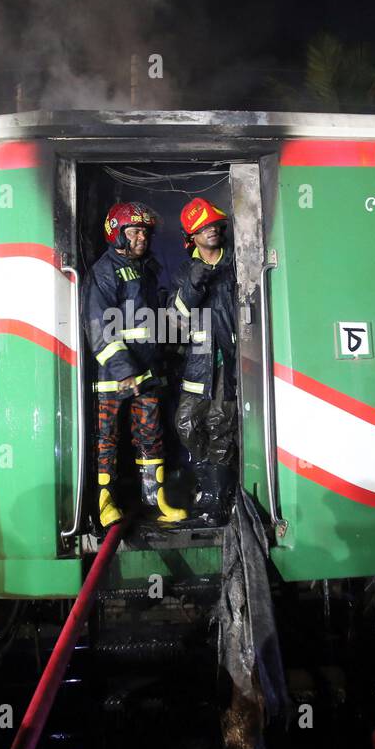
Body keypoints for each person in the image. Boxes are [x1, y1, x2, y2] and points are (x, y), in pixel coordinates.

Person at [84, 201, 187, 527]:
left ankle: (155, 501)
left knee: (151, 436)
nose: (142, 237)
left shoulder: (148, 268)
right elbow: (98, 325)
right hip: (115, 377)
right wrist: (124, 369)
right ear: (117, 234)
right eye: (135, 230)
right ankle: (105, 502)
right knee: (107, 439)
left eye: (145, 231)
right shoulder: (104, 271)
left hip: (149, 373)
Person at [170, 197, 238, 526]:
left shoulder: (237, 263)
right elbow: (176, 316)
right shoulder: (185, 270)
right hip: (198, 361)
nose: (210, 230)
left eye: (213, 225)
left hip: (229, 360)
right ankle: (207, 483)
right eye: (202, 227)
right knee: (185, 423)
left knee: (221, 427)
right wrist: (196, 281)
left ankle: (216, 500)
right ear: (191, 236)